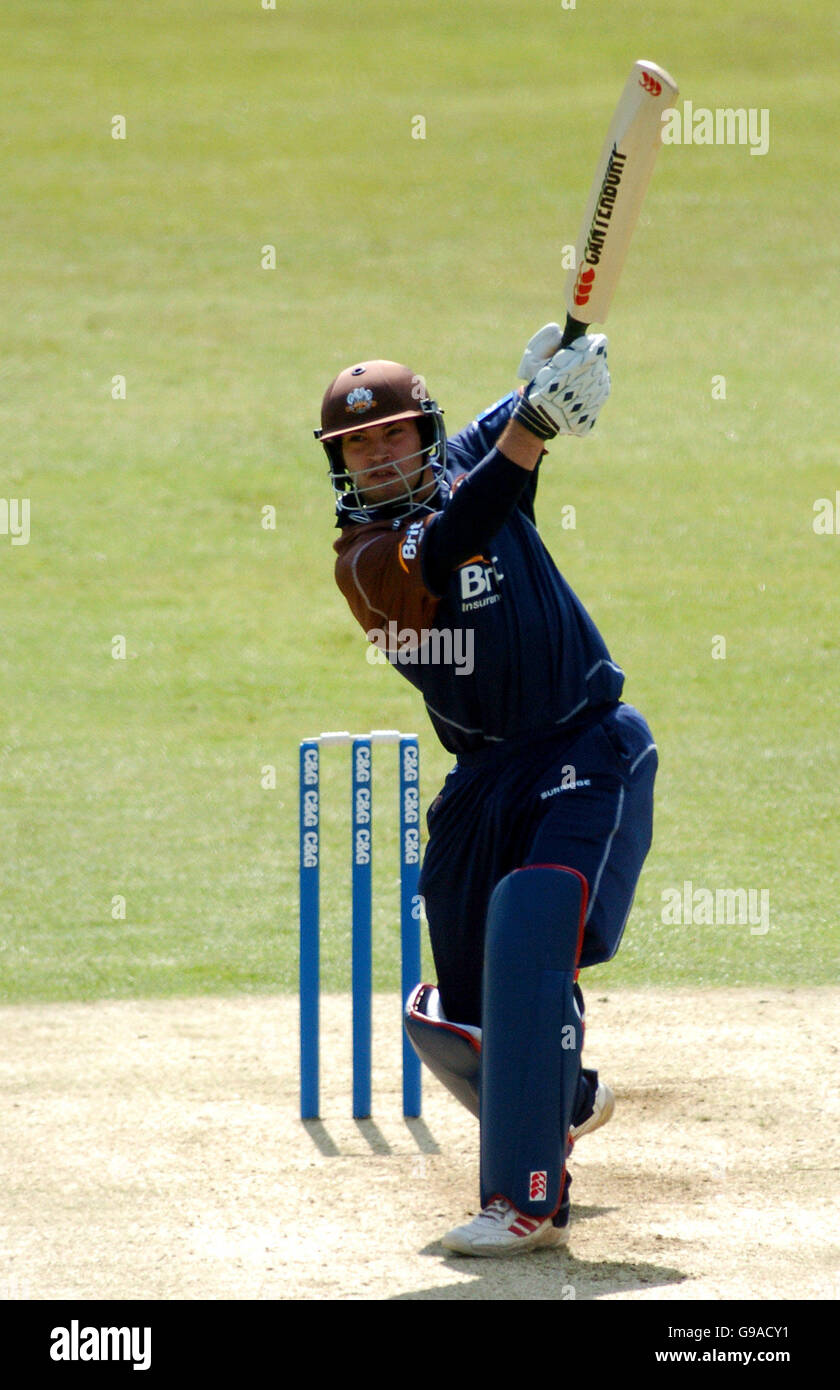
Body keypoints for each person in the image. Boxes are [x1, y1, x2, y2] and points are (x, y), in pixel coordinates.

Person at [315, 326, 657, 1256]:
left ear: (423, 432)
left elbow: (518, 427)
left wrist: (560, 359)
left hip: (583, 743)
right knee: (453, 1023)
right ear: (339, 466)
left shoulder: (470, 459)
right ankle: (568, 1095)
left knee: (530, 931)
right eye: (358, 445)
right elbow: (459, 530)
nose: (380, 457)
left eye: (393, 435)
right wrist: (533, 425)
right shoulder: (365, 562)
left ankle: (525, 1200)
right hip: (481, 784)